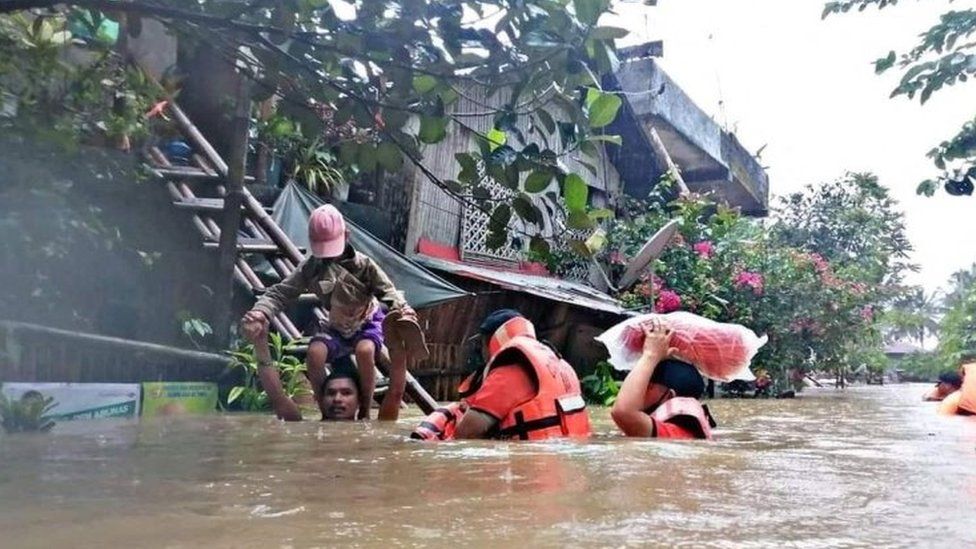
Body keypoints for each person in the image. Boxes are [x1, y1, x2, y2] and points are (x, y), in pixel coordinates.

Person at [240, 204, 426, 420]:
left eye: (346, 393)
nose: (338, 399)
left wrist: (403, 312)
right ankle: (324, 413)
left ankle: (366, 411)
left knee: (365, 351)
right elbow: (279, 293)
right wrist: (260, 313)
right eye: (332, 394)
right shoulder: (311, 267)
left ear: (346, 236)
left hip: (366, 320)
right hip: (336, 324)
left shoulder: (365, 265)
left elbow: (388, 291)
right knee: (315, 353)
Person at [449, 309, 592, 440]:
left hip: (535, 457)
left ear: (490, 341)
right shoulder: (562, 364)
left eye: (481, 344)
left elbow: (466, 433)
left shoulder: (507, 371)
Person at [611, 317, 716, 440]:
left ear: (670, 396)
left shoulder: (675, 433)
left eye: (648, 386)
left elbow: (624, 412)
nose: (640, 389)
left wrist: (651, 355)